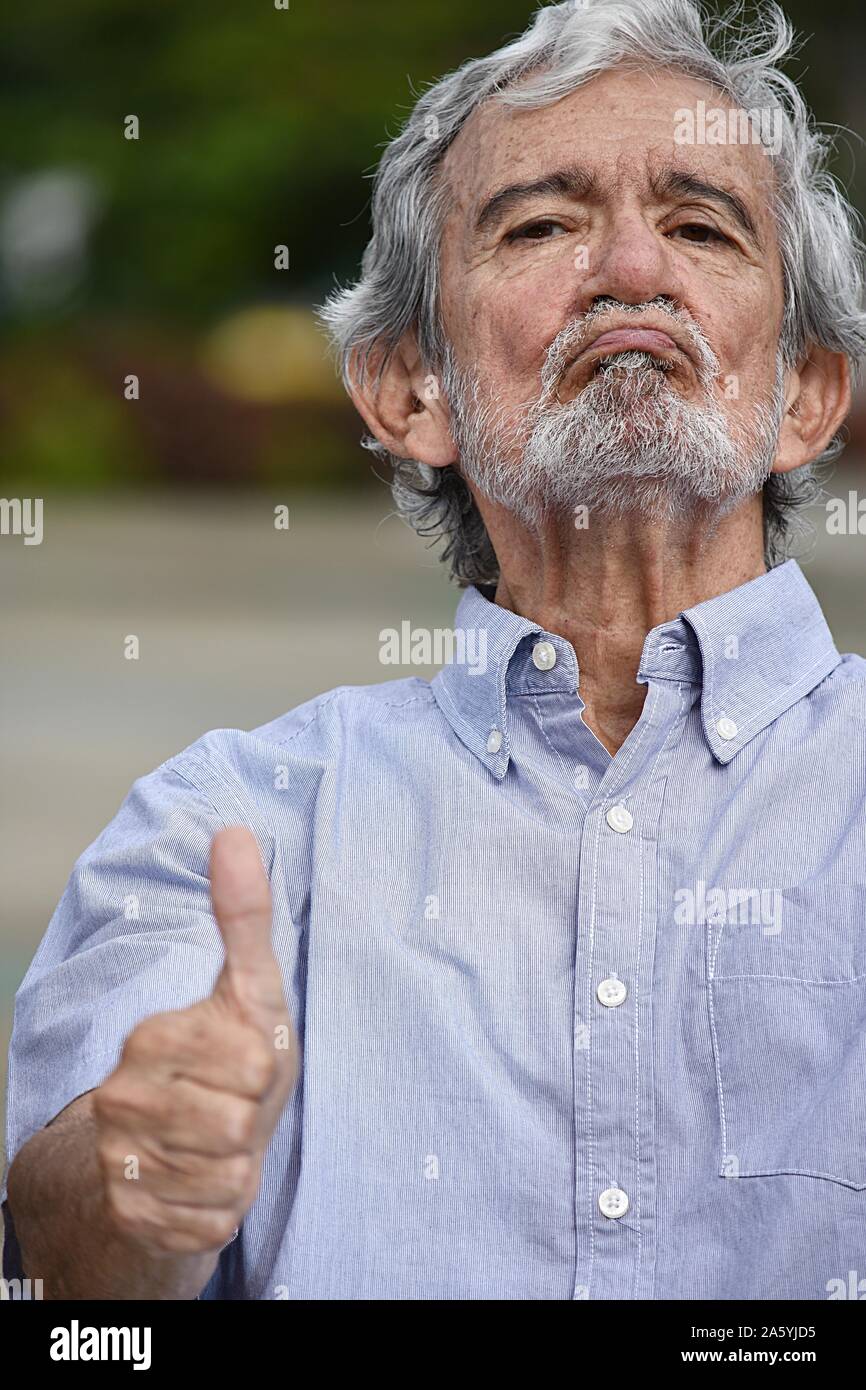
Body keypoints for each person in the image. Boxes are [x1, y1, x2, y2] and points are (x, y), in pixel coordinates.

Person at [4, 0, 866, 1300]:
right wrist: (140, 1179)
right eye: (540, 224)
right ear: (407, 389)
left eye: (699, 224)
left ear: (807, 392)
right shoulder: (224, 825)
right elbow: (67, 1272)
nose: (631, 265)